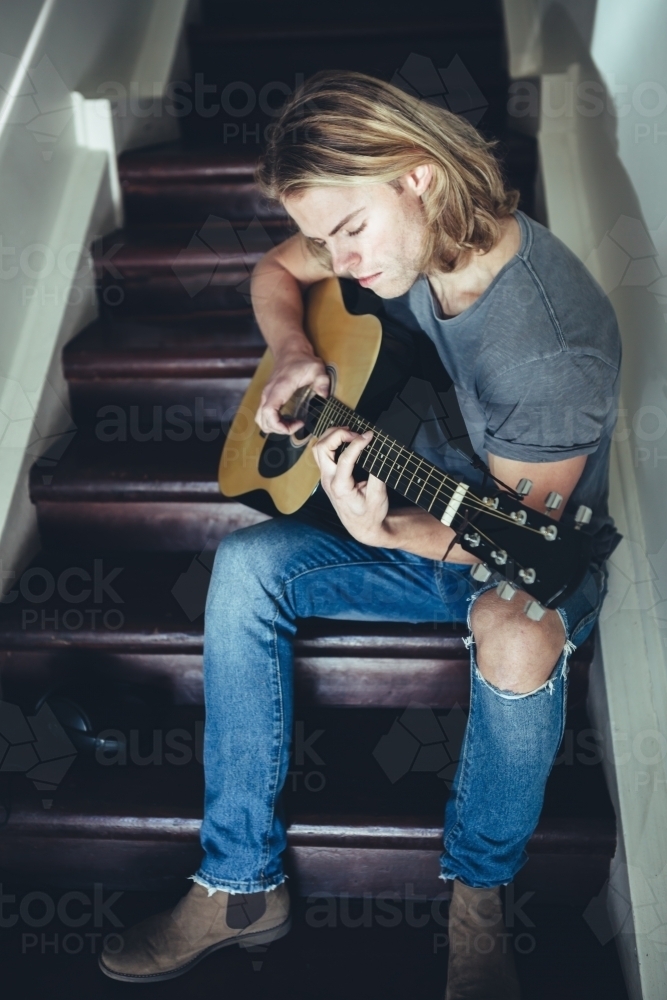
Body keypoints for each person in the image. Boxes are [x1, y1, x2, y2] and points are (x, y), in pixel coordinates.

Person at [100, 71, 621, 998]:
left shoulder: (547, 350)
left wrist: (386, 531)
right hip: (429, 503)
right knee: (245, 565)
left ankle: (478, 895)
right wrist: (296, 351)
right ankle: (239, 883)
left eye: (350, 234)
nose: (339, 265)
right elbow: (274, 270)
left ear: (416, 177)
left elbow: (513, 545)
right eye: (327, 236)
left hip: (515, 543)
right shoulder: (398, 236)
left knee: (514, 631)